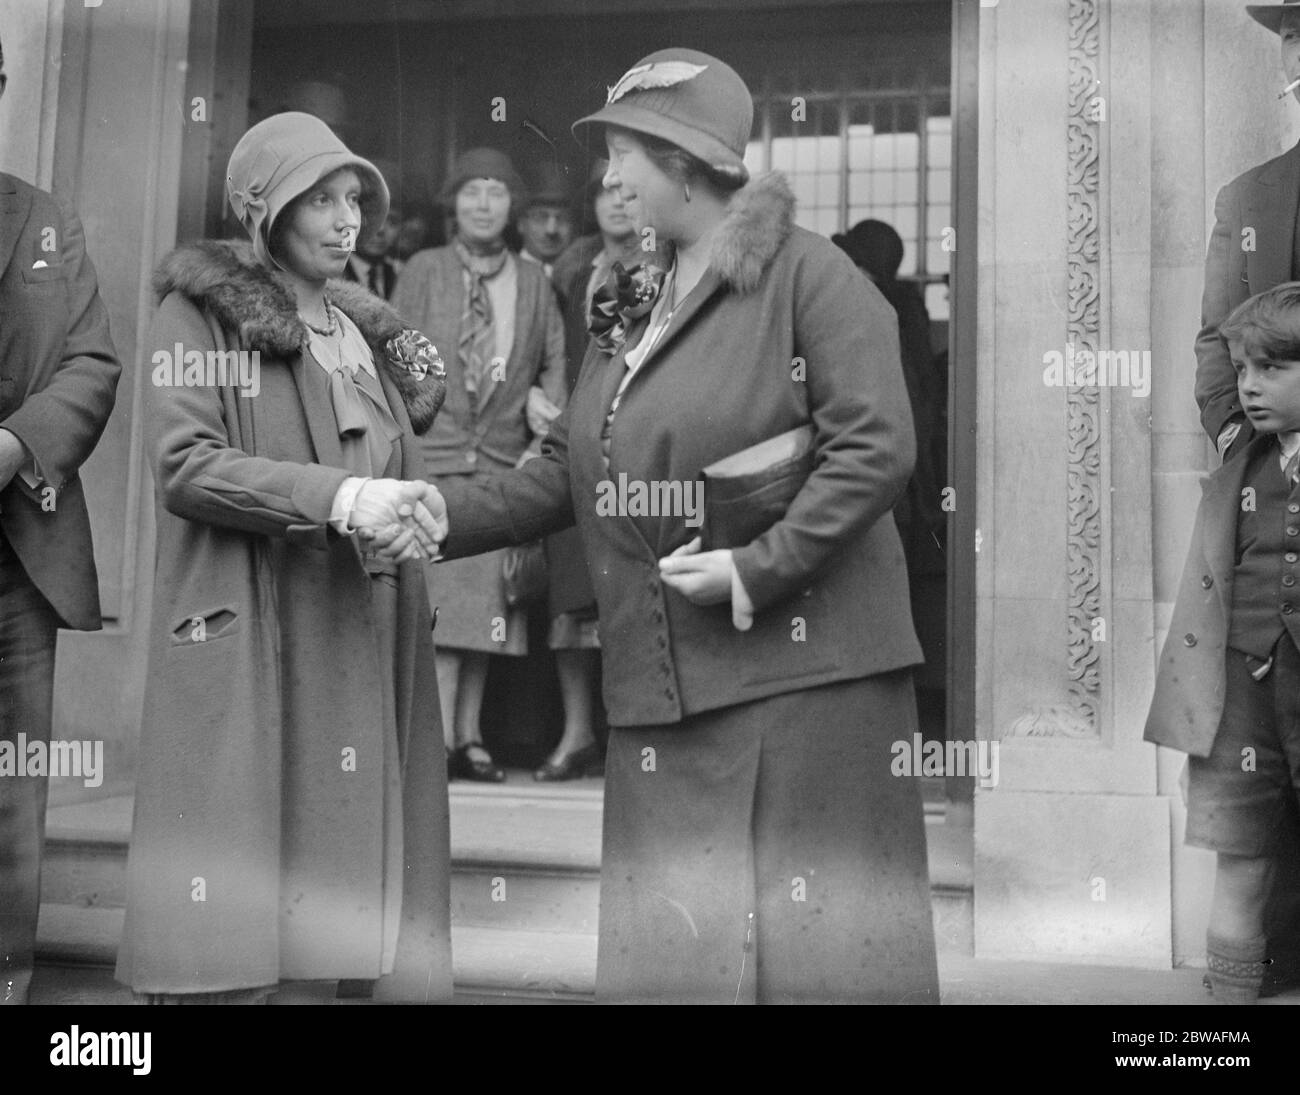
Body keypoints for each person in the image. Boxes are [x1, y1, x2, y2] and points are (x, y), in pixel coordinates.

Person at [429, 49, 938, 1002]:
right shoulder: (630, 299)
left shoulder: (812, 278)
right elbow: (568, 472)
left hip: (809, 688)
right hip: (661, 690)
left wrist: (760, 568)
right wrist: (434, 513)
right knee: (674, 962)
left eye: (628, 154)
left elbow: (875, 447)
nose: (609, 179)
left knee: (820, 964)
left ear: (690, 163)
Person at [115, 112, 453, 1004]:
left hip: (368, 620)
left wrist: (414, 508)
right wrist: (341, 498)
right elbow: (186, 465)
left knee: (346, 882)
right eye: (322, 198)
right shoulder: (200, 316)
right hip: (271, 618)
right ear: (266, 210)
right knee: (277, 887)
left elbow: (389, 469)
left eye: (356, 200)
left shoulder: (357, 329)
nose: (348, 221)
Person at [0, 34, 122, 1006]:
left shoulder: (46, 222)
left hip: (16, 554)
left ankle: (6, 975)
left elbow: (90, 363)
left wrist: (12, 446)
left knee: (11, 782)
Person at [1146, 282, 1300, 1003]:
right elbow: (1211, 352)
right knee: (1242, 856)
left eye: (1273, 368)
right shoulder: (1243, 447)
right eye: (1244, 370)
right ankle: (1224, 1036)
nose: (1250, 386)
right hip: (1243, 686)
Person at [393, 148, 567, 782]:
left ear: (512, 207)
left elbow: (554, 368)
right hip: (432, 456)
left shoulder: (536, 280)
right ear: (453, 204)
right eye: (472, 191)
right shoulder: (423, 269)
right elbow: (392, 357)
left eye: (497, 191)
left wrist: (544, 434)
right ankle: (438, 741)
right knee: (439, 610)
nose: (484, 203)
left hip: (502, 463)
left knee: (488, 613)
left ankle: (466, 736)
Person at [1191, 0, 1300, 991]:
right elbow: (1214, 345)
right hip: (1266, 548)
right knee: (1243, 818)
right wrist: (1247, 437)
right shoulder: (1252, 194)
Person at [528, 161, 651, 781]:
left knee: (629, 588)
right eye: (605, 192)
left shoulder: (669, 262)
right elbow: (544, 345)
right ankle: (577, 734)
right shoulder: (571, 270)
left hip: (643, 438)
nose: (618, 203)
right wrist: (534, 394)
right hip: (577, 435)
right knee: (571, 591)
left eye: (629, 192)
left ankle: (632, 735)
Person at [517, 165, 575, 279]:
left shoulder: (583, 280)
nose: (551, 230)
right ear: (521, 224)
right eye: (540, 218)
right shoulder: (504, 276)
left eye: (562, 218)